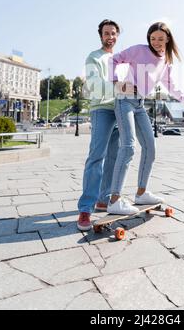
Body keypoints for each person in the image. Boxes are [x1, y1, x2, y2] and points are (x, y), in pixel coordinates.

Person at [107, 21, 184, 215]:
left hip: (139, 105)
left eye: (160, 39)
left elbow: (174, 89)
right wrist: (115, 82)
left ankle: (141, 193)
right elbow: (113, 60)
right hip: (124, 101)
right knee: (128, 146)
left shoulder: (165, 62)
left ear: (168, 39)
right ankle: (114, 200)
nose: (156, 42)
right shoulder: (138, 50)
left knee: (150, 148)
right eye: (152, 38)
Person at [77, 19, 121, 231]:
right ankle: (86, 208)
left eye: (113, 33)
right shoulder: (94, 57)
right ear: (100, 36)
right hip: (102, 109)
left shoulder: (123, 59)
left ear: (118, 35)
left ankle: (104, 199)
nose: (110, 37)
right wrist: (120, 87)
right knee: (96, 157)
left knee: (114, 157)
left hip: (120, 110)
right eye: (106, 33)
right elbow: (93, 85)